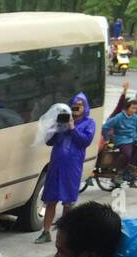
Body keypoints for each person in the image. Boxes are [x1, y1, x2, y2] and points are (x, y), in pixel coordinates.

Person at [37, 93, 96, 244]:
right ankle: (46, 231)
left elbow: (85, 141)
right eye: (74, 105)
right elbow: (50, 142)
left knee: (68, 203)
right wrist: (53, 128)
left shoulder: (89, 123)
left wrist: (72, 128)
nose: (77, 108)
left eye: (80, 105)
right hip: (56, 165)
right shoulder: (61, 120)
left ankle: (64, 234)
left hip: (72, 168)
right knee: (50, 199)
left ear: (85, 107)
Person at [103, 94, 137, 186]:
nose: (134, 110)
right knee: (127, 153)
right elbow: (105, 127)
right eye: (133, 108)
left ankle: (131, 173)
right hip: (121, 140)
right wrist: (107, 139)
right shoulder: (119, 117)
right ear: (127, 108)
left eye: (136, 108)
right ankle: (120, 173)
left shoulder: (135, 117)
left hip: (133, 139)